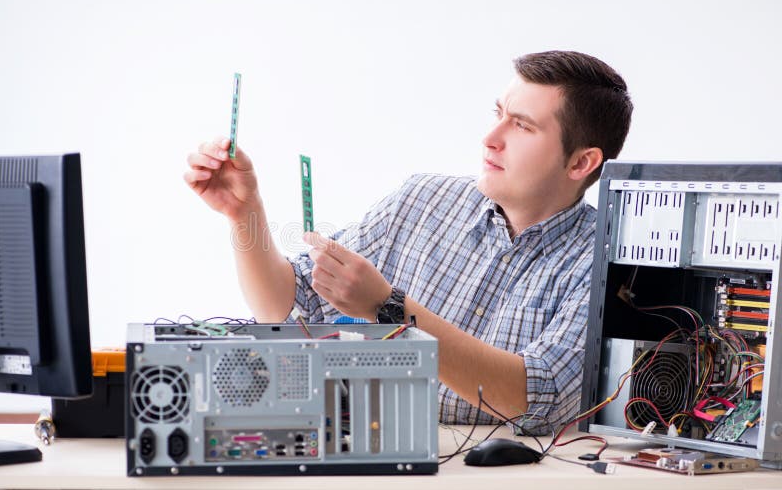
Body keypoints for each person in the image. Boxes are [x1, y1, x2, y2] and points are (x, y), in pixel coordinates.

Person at [184, 50, 633, 431]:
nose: (490, 139)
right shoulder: (421, 200)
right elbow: (289, 309)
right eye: (498, 115)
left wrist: (390, 308)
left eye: (522, 126)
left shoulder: (603, 263)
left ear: (581, 163)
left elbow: (537, 396)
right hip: (378, 453)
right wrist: (245, 214)